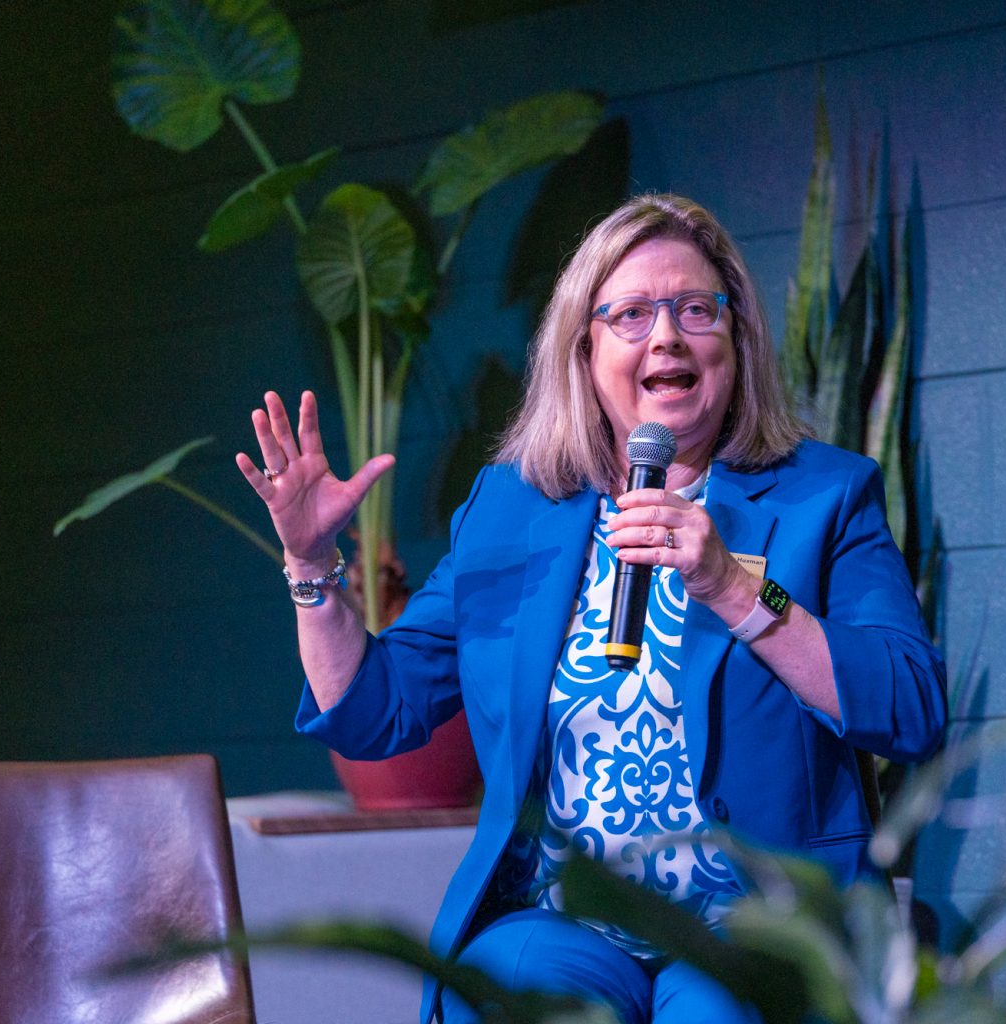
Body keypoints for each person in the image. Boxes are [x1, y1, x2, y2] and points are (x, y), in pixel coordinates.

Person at [236, 193, 947, 1024]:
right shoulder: (510, 510)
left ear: (738, 341)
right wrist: (312, 563)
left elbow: (909, 706)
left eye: (695, 310)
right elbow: (371, 713)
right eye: (632, 315)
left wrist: (738, 588)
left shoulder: (824, 496)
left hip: (761, 918)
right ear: (585, 351)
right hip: (568, 917)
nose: (667, 336)